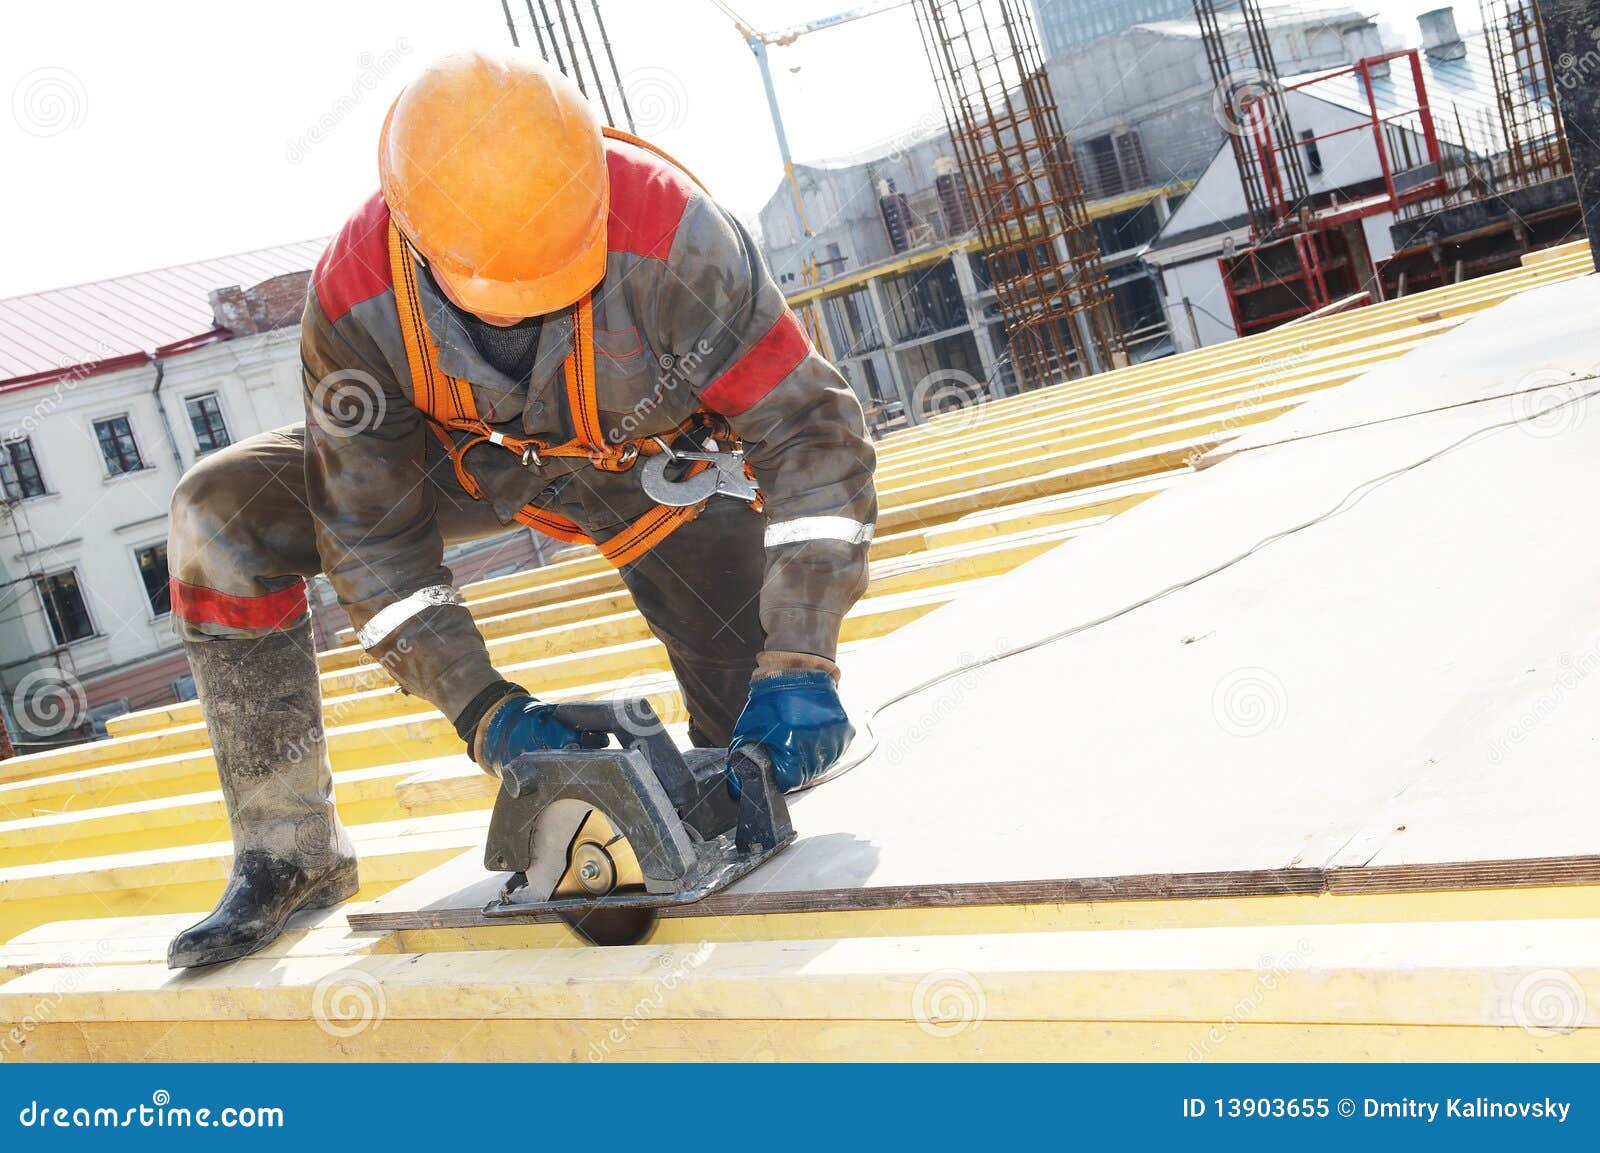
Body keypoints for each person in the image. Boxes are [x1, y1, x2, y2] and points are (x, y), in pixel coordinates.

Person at [164, 54, 877, 968]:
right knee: (217, 515)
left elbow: (811, 434)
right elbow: (374, 546)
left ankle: (754, 716)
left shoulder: (672, 235)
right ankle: (287, 852)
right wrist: (485, 713)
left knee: (750, 772)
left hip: (657, 472)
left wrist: (803, 651)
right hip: (471, 466)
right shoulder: (356, 299)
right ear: (417, 240)